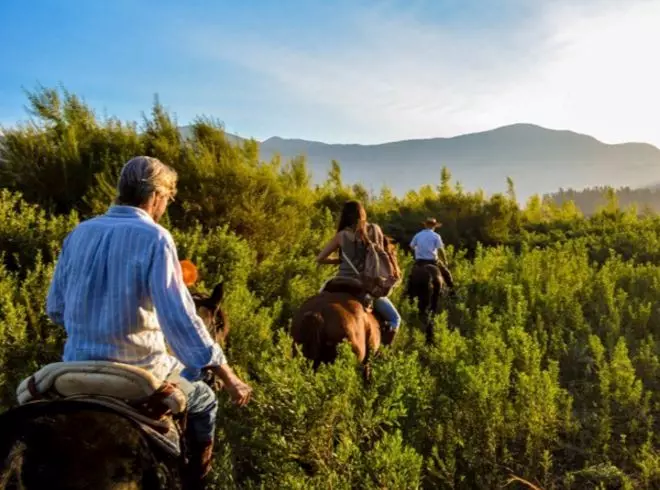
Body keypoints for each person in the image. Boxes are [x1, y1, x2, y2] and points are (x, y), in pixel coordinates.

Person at [45, 156, 252, 486]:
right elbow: (180, 318)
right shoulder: (155, 237)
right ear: (156, 195)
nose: (165, 207)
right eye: (168, 199)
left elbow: (55, 308)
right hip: (141, 369)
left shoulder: (80, 232)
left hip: (75, 366)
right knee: (204, 399)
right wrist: (228, 376)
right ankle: (196, 479)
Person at [316, 200, 402, 331]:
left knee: (319, 299)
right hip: (365, 283)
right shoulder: (374, 230)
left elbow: (320, 258)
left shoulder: (341, 235)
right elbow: (380, 254)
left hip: (341, 280)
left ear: (344, 215)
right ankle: (383, 349)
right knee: (395, 318)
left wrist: (340, 261)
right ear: (362, 214)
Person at [409, 217, 456, 292]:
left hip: (420, 261)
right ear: (434, 226)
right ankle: (452, 292)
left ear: (425, 225)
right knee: (447, 274)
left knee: (410, 276)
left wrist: (418, 251)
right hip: (433, 261)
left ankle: (407, 293)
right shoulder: (436, 236)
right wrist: (445, 260)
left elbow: (411, 246)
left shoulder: (418, 235)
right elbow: (440, 249)